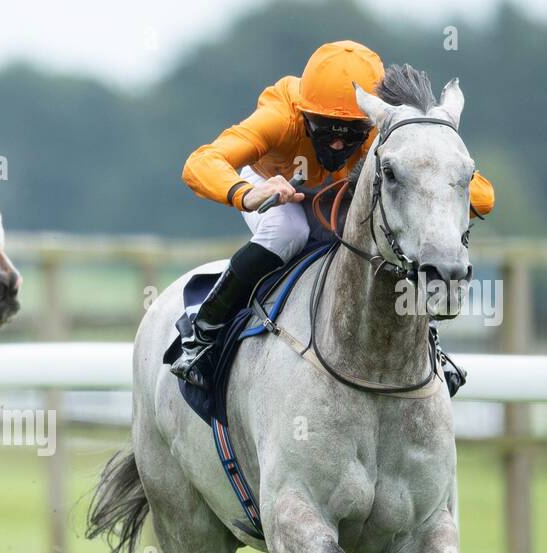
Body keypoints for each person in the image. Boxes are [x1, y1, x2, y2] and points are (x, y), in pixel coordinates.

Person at [170, 40, 496, 387]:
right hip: (272, 184)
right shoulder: (281, 116)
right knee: (288, 230)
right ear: (304, 114)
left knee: (388, 233)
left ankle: (428, 341)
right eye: (325, 129)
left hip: (337, 193)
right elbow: (200, 163)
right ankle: (203, 332)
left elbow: (482, 197)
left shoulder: (385, 131)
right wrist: (248, 194)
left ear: (369, 120)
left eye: (352, 134)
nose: (338, 145)